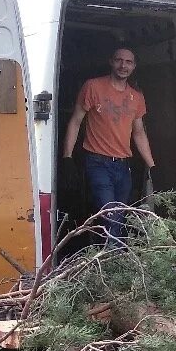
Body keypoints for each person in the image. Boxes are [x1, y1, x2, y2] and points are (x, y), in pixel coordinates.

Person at [62, 47, 156, 243]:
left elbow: (139, 133)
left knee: (118, 218)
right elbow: (76, 121)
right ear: (111, 62)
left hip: (123, 166)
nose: (123, 65)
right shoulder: (93, 87)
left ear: (134, 66)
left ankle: (103, 258)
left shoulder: (136, 97)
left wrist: (152, 166)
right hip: (97, 163)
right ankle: (112, 262)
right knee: (110, 213)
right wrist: (67, 157)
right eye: (119, 60)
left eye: (128, 62)